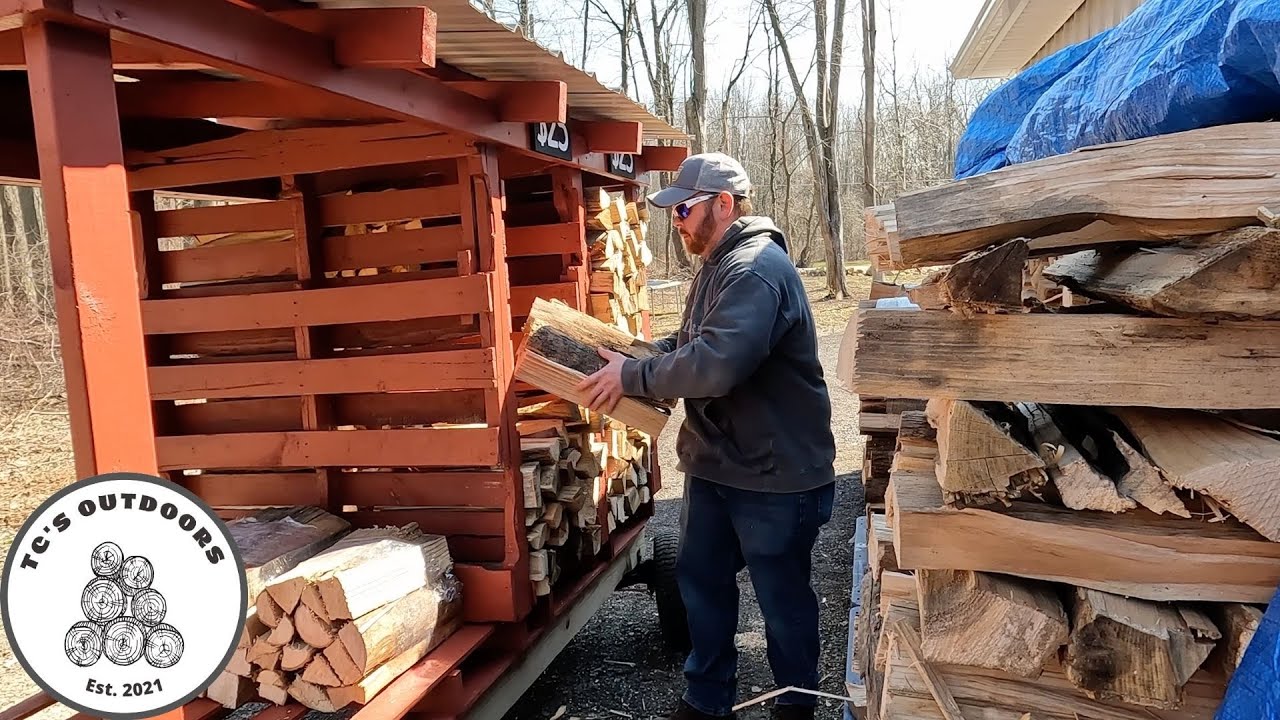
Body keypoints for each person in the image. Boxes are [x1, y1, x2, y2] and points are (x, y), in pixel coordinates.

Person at [576, 153, 838, 720]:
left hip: (775, 473)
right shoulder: (718, 265)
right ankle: (707, 699)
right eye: (674, 211)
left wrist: (633, 376)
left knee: (783, 602)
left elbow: (718, 363)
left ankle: (796, 708)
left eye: (685, 209)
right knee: (700, 579)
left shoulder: (757, 269)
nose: (677, 220)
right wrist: (647, 356)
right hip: (718, 464)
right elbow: (696, 339)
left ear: (724, 203)